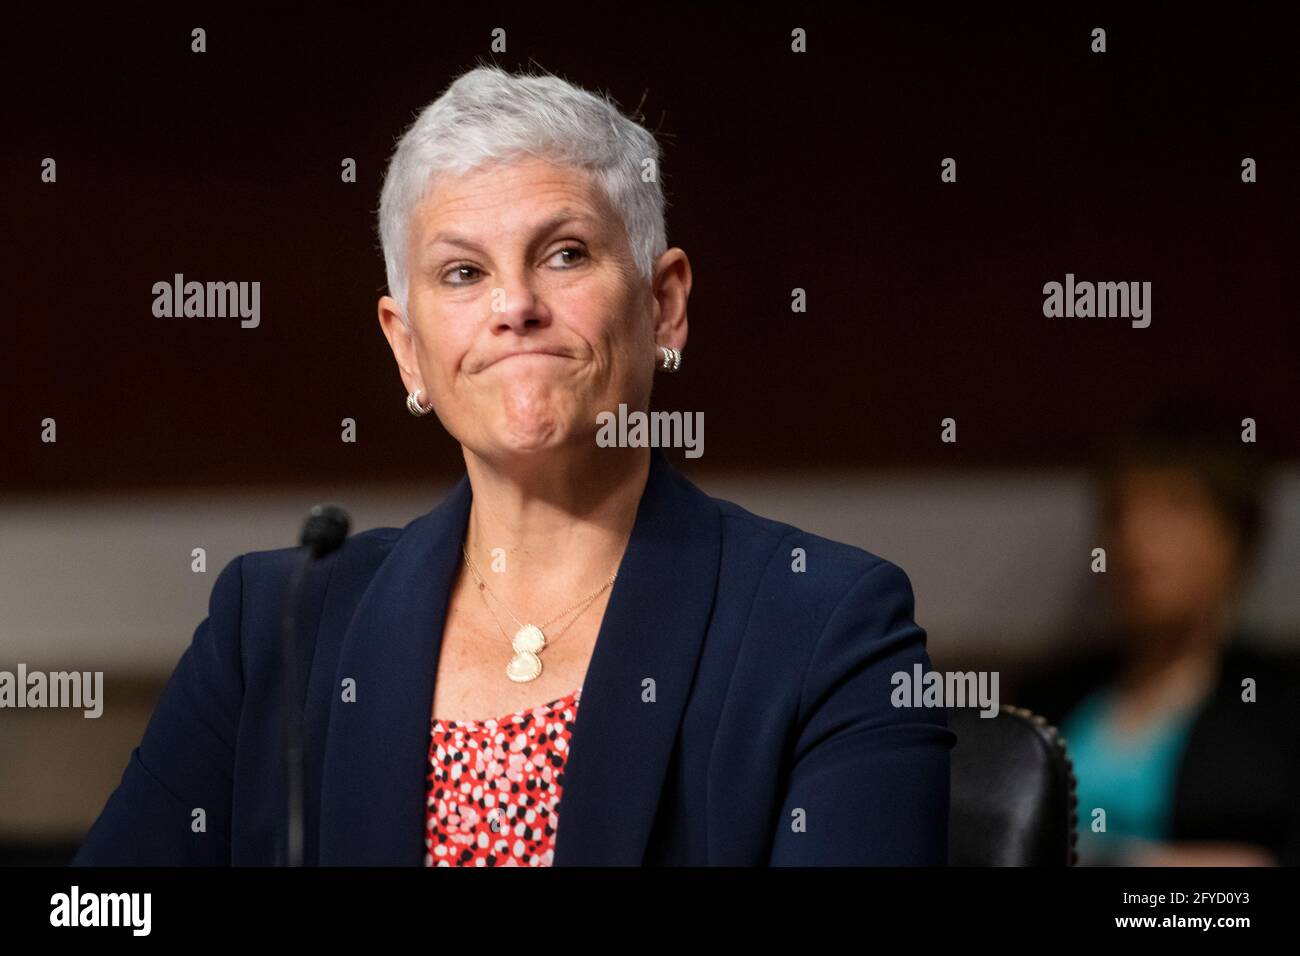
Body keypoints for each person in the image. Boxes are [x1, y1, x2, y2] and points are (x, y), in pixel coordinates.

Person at [70, 64, 952, 866]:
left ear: (664, 305)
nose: (516, 306)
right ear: (407, 349)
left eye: (564, 254)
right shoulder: (275, 626)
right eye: (461, 273)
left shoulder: (830, 625)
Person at [1018, 406, 1300, 866]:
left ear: (1236, 537)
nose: (1138, 537)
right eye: (1120, 511)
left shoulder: (1279, 707)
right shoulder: (1050, 696)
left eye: (1175, 507)